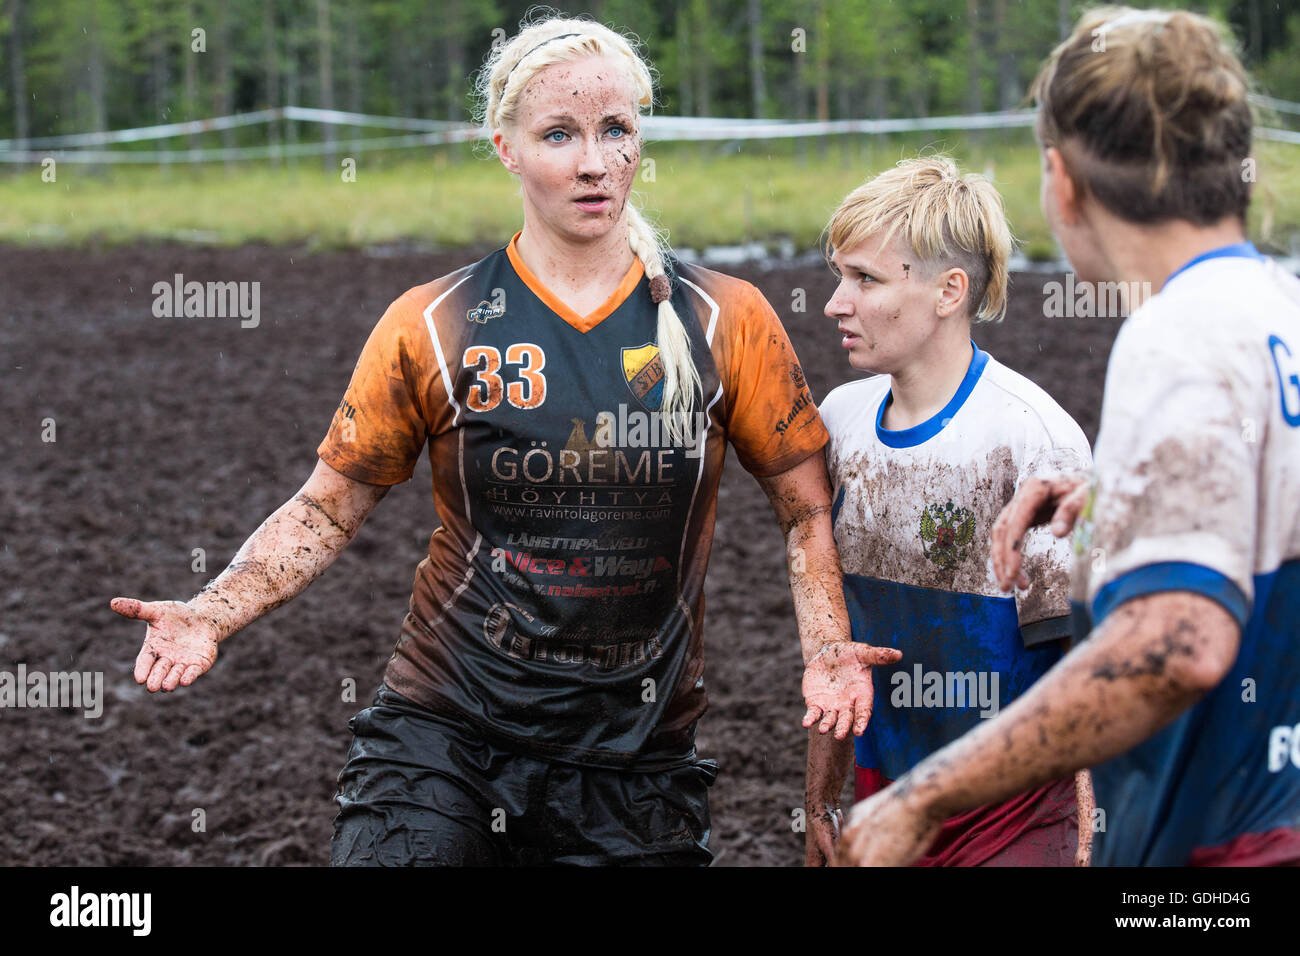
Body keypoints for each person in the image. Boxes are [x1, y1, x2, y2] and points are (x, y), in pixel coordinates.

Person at [110, 12, 899, 866]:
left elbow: (803, 508)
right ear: (507, 148)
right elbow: (327, 510)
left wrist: (825, 647)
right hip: (445, 736)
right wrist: (211, 610)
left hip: (637, 761)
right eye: (559, 134)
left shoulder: (723, 319)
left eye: (615, 130)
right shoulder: (435, 323)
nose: (595, 161)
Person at [835, 6, 1300, 867]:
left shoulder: (1176, 332)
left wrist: (928, 794)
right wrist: (1121, 500)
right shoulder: (1279, 308)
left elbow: (1179, 647)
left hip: (1217, 856)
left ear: (1063, 178)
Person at [806, 156, 1094, 866]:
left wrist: (1084, 831)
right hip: (883, 804)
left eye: (865, 279)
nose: (835, 303)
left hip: (1013, 812)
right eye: (840, 276)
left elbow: (1081, 655)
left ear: (949, 291)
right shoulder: (839, 421)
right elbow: (839, 644)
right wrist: (821, 799)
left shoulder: (1032, 436)